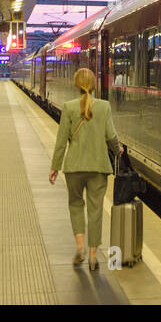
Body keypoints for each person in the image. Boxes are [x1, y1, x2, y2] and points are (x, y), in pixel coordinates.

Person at [49, 67, 120, 271]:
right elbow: (110, 136)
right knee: (96, 211)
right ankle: (92, 256)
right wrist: (119, 150)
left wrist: (55, 167)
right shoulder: (104, 107)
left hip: (74, 167)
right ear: (94, 84)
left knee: (76, 205)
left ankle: (79, 247)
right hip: (98, 167)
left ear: (76, 85)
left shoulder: (69, 107)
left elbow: (61, 141)